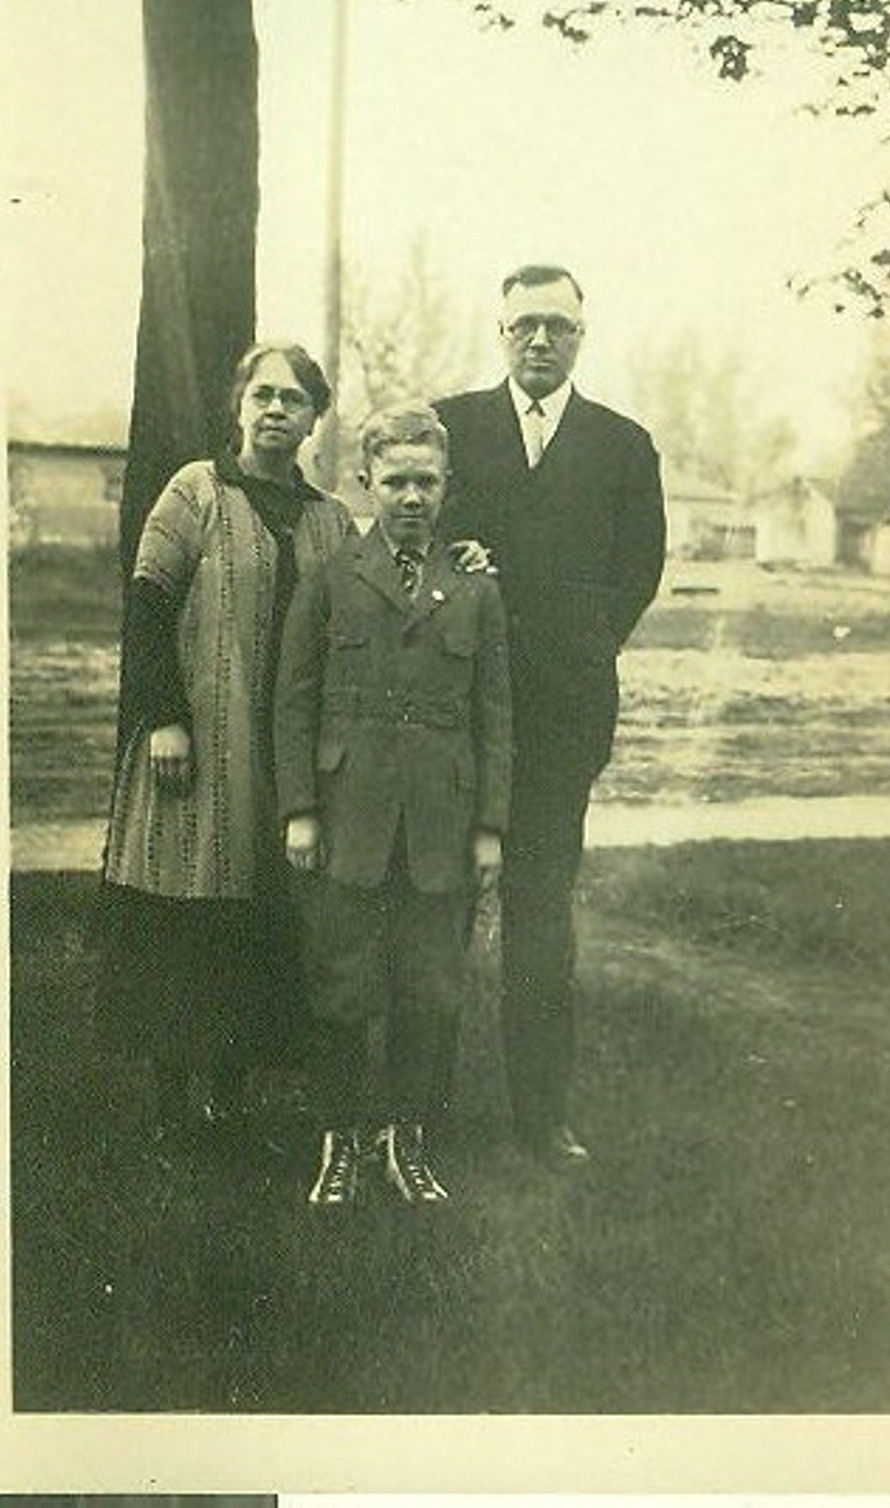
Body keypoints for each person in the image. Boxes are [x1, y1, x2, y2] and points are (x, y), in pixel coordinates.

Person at [433, 265, 666, 1166]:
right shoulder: (451, 427)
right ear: (499, 332)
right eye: (524, 323)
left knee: (540, 919)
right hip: (453, 715)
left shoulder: (622, 445)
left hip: (562, 722)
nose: (540, 339)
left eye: (557, 326)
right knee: (439, 913)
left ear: (581, 337)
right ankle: (424, 1115)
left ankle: (540, 1118)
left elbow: (638, 570)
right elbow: (413, 538)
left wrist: (578, 645)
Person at [99, 343, 351, 1149]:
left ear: (315, 418)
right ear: (238, 406)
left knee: (253, 922)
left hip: (283, 757)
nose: (276, 409)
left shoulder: (330, 520)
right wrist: (164, 718)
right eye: (262, 394)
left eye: (294, 398)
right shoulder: (196, 490)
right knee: (186, 915)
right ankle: (174, 1107)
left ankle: (230, 1100)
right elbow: (147, 607)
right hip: (199, 744)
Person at [275, 403, 511, 1209]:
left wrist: (489, 828)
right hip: (349, 821)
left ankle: (405, 1141)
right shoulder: (331, 578)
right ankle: (340, 1139)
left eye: (427, 482)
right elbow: (294, 703)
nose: (412, 496)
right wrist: (301, 809)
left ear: (447, 488)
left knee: (430, 989)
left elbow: (495, 717)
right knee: (340, 985)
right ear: (366, 482)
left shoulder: (475, 588)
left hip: (441, 827)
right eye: (397, 480)